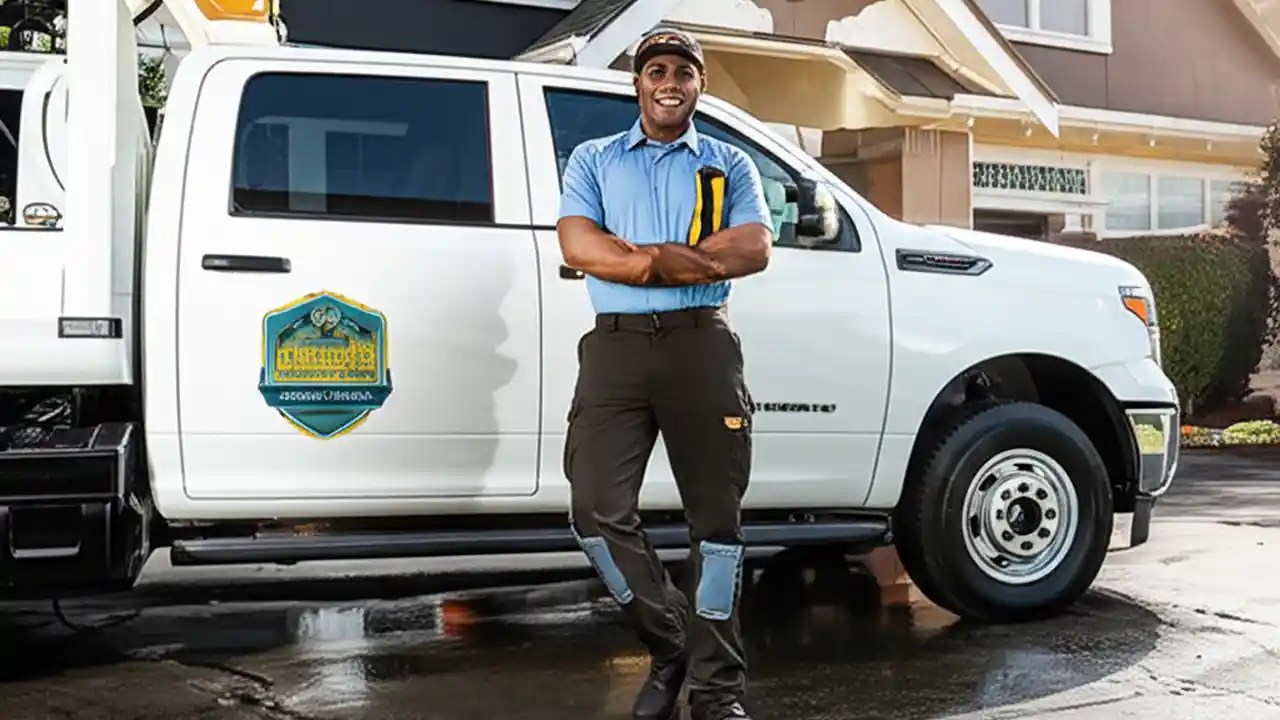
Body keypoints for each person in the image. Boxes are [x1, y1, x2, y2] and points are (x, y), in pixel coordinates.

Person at [556, 26, 773, 720]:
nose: (670, 80)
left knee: (717, 525)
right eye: (656, 69)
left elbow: (752, 248)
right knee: (594, 509)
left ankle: (717, 692)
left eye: (683, 69)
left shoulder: (729, 165)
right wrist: (669, 260)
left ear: (700, 83)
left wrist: (647, 257)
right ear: (638, 82)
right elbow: (580, 245)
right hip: (615, 348)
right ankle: (670, 639)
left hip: (701, 345)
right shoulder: (592, 160)